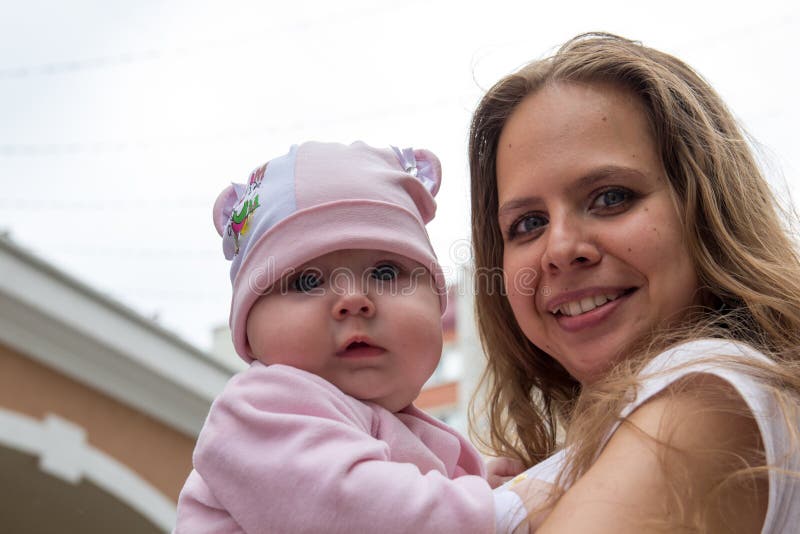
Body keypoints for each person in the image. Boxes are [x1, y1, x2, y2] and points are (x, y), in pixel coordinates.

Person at [468, 33, 800, 533]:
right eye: (528, 224)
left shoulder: (706, 388)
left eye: (611, 197)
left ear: (705, 209)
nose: (559, 249)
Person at [174, 141, 526, 533]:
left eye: (386, 273)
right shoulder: (260, 409)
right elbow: (355, 510)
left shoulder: (408, 430)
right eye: (307, 281)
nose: (354, 300)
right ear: (249, 336)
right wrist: (495, 509)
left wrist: (482, 488)